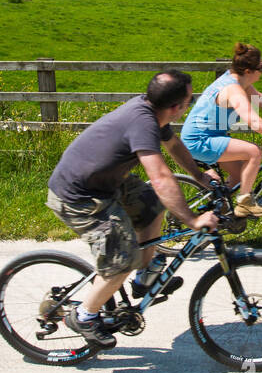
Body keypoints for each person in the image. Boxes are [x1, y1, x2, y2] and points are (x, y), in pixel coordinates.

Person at [46, 70, 220, 349]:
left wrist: (200, 176)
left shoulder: (153, 112)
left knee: (151, 205)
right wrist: (192, 219)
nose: (191, 101)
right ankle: (84, 315)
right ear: (177, 107)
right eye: (190, 98)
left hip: (106, 184)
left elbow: (173, 145)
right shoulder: (142, 123)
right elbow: (161, 177)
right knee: (122, 259)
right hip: (78, 196)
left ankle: (145, 275)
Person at [180, 43, 262, 217]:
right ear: (248, 71)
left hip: (208, 136)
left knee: (239, 175)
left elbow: (260, 100)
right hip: (200, 140)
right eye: (261, 68)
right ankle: (244, 202)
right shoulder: (233, 90)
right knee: (253, 152)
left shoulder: (236, 79)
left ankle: (218, 212)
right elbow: (253, 121)